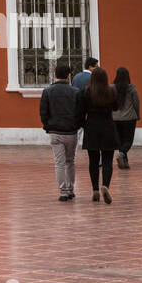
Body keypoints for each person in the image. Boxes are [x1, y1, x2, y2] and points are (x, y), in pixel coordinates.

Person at [39, 60, 81, 202]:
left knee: (59, 162)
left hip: (55, 131)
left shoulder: (48, 91)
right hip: (71, 132)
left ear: (55, 75)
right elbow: (80, 112)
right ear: (69, 76)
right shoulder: (76, 92)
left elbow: (43, 112)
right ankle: (70, 189)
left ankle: (63, 191)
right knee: (70, 161)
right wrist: (77, 125)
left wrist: (47, 126)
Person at [81, 65, 118, 203]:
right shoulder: (111, 91)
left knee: (94, 161)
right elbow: (116, 107)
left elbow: (81, 111)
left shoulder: (86, 92)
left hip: (92, 128)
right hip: (108, 127)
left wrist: (83, 125)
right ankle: (105, 186)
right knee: (108, 161)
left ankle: (95, 189)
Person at [112, 66, 141, 170]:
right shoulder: (132, 88)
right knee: (128, 140)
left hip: (115, 118)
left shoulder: (112, 87)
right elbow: (136, 103)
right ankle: (122, 153)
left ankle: (125, 162)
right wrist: (138, 114)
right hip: (129, 118)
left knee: (120, 140)